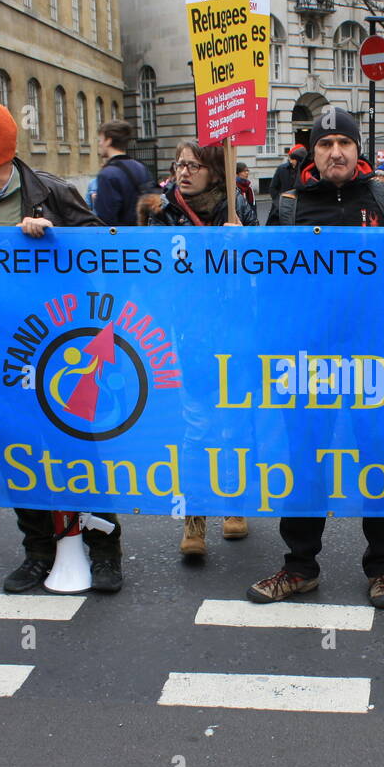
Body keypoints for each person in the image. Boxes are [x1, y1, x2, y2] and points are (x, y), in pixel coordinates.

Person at [0, 95, 127, 595]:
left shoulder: (53, 194)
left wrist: (56, 241)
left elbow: (103, 255)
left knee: (76, 450)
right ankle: (39, 552)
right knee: (18, 453)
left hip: (52, 352)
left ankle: (103, 548)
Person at [254, 106, 384, 610]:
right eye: (325, 145)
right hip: (307, 359)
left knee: (379, 457)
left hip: (376, 358)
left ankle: (383, 569)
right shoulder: (288, 205)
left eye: (343, 144)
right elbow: (261, 273)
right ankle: (300, 566)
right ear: (313, 152)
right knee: (305, 458)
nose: (335, 153)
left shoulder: (381, 195)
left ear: (357, 150)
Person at [139, 139, 255, 557]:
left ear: (214, 171)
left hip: (237, 335)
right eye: (179, 163)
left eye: (194, 165)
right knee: (197, 427)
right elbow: (157, 273)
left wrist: (243, 246)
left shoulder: (236, 208)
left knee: (238, 422)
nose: (183, 172)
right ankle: (195, 516)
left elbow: (257, 273)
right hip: (190, 336)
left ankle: (236, 503)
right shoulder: (163, 213)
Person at [92, 119, 154, 226]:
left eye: (100, 140)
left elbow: (105, 220)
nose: (99, 144)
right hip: (143, 236)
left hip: (120, 239)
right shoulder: (141, 167)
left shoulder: (107, 175)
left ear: (108, 141)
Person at [264, 144, 305, 224]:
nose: (290, 161)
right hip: (282, 206)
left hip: (298, 207)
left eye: (293, 159)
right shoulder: (281, 169)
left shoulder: (304, 171)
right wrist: (278, 202)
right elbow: (273, 188)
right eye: (290, 158)